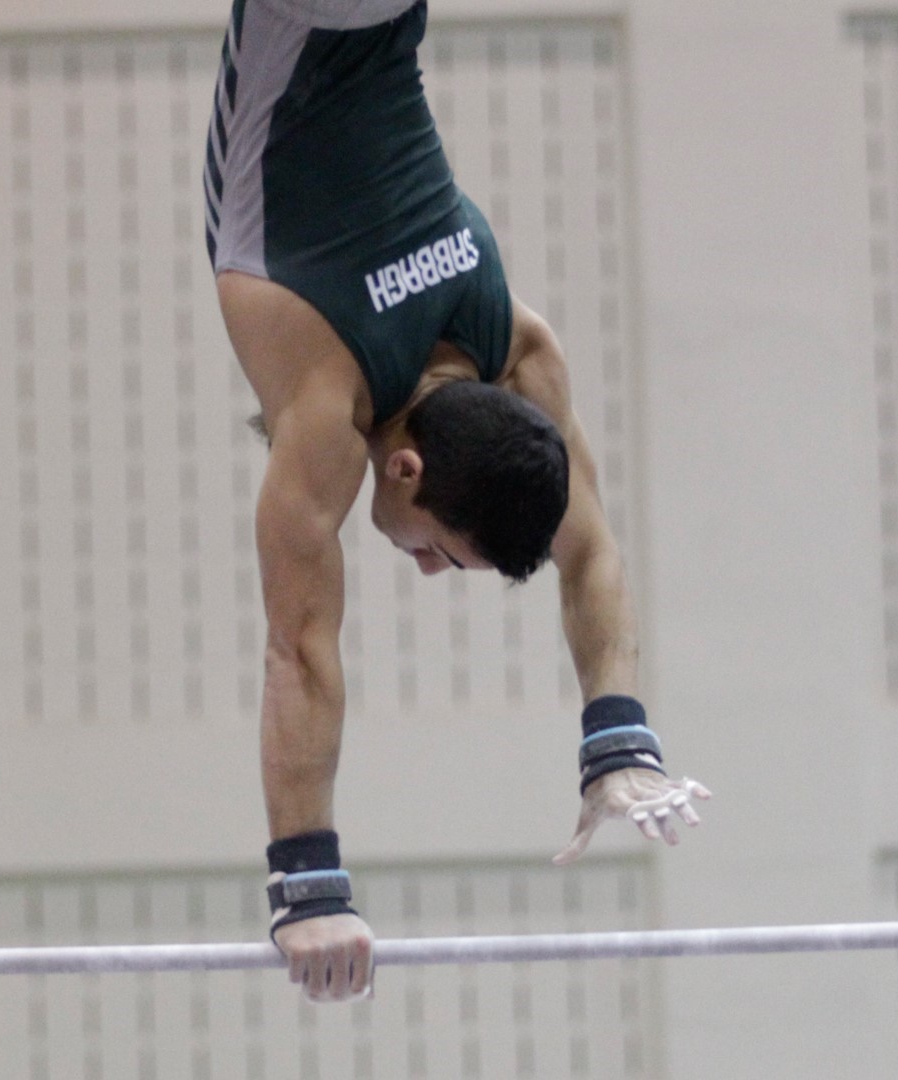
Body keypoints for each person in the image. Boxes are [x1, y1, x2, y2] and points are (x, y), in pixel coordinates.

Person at [206, 0, 711, 1004]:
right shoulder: (326, 403)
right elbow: (300, 649)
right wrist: (308, 885)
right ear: (403, 471)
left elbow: (586, 548)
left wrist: (619, 735)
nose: (429, 568)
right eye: (442, 548)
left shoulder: (516, 345)